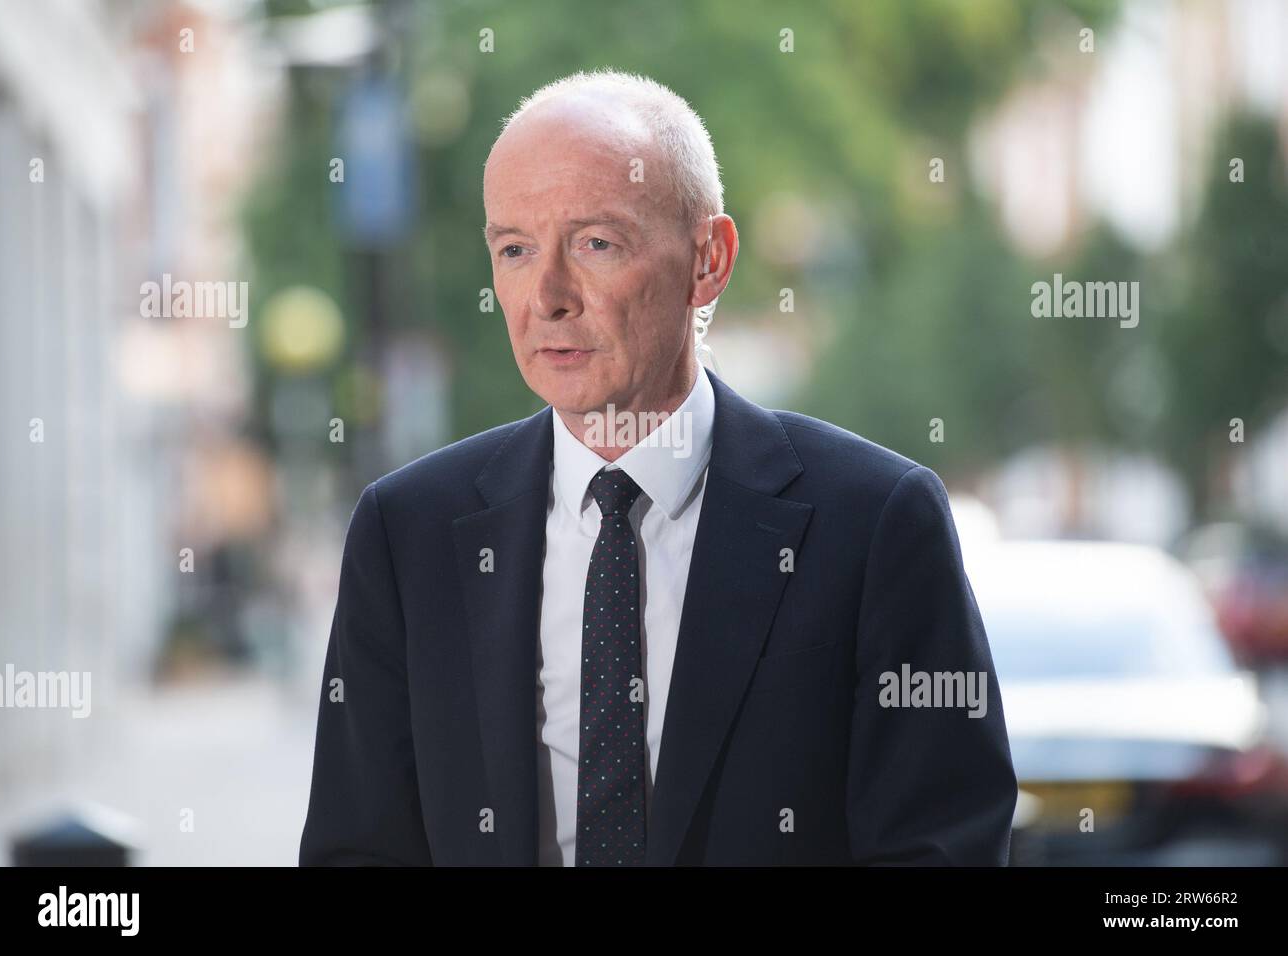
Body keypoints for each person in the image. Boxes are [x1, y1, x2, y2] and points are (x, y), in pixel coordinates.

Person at [299, 68, 1016, 866]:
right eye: (515, 249)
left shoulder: (876, 522)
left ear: (709, 259)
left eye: (597, 243)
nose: (549, 296)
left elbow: (941, 846)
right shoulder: (409, 534)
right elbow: (355, 849)